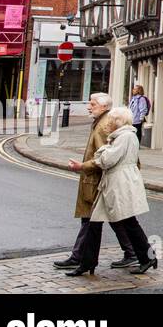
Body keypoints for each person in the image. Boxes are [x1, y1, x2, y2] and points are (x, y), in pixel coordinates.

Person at [53, 93, 137, 273]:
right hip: (98, 181)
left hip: (98, 182)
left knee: (93, 220)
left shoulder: (104, 126)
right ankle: (132, 253)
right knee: (112, 220)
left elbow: (104, 157)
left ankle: (81, 258)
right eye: (90, 103)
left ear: (105, 107)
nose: (89, 106)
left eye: (93, 104)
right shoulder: (101, 122)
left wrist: (82, 166)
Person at [69, 106, 157, 276]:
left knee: (129, 223)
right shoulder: (121, 136)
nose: (108, 123)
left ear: (118, 122)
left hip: (120, 184)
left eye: (111, 120)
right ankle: (87, 263)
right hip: (112, 184)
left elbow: (107, 160)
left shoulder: (125, 137)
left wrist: (101, 151)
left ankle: (146, 257)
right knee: (96, 222)